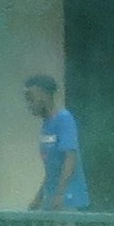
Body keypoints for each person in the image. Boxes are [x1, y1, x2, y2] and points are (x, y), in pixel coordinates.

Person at [25, 75, 88, 211]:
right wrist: (39, 197)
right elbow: (52, 170)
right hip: (51, 199)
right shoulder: (46, 126)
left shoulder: (64, 119)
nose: (29, 105)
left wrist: (60, 194)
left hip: (68, 198)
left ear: (45, 95)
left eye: (31, 99)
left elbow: (70, 159)